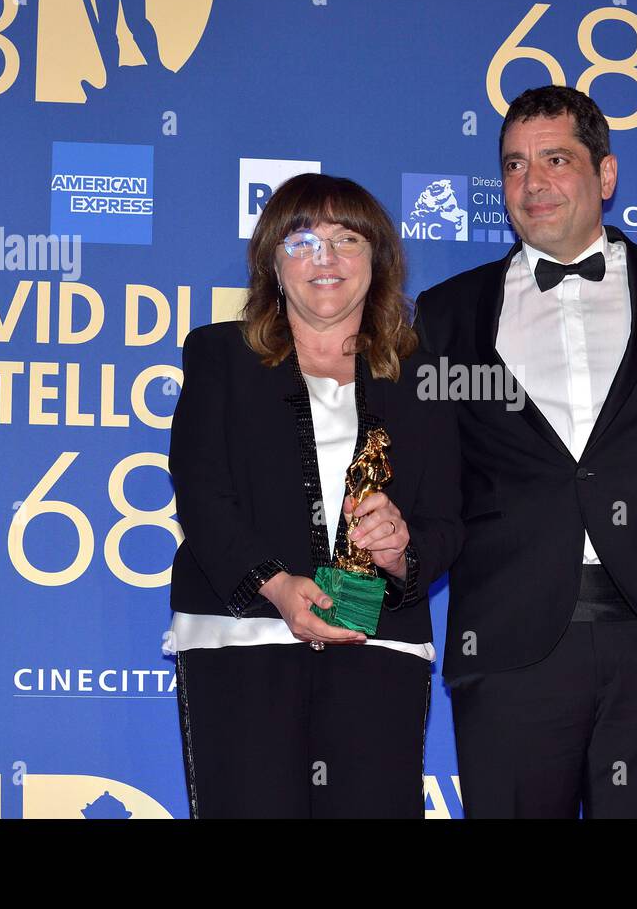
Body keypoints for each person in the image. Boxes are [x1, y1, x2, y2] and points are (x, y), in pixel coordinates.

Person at [414, 85, 637, 818]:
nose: (531, 182)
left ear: (605, 175)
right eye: (513, 165)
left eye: (555, 159)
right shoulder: (447, 315)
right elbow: (432, 484)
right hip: (510, 646)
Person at [166, 173, 462, 818]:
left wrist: (399, 549)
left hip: (377, 641)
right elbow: (202, 492)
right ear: (272, 261)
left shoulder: (424, 374)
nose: (325, 258)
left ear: (377, 259)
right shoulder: (220, 354)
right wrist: (275, 584)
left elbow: (447, 518)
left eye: (346, 238)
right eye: (302, 240)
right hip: (243, 637)